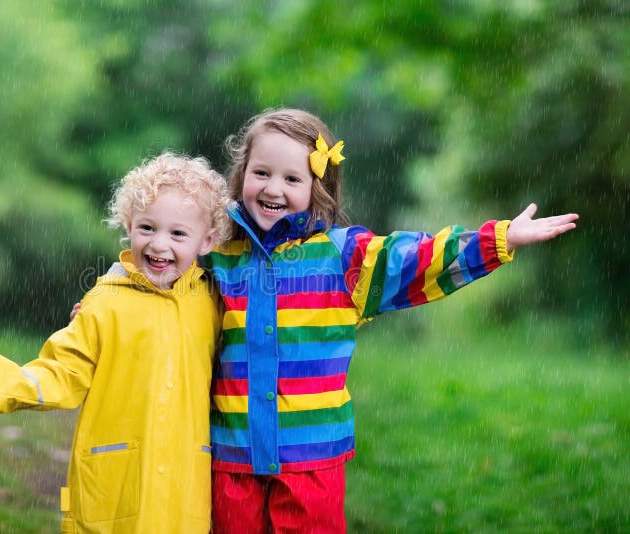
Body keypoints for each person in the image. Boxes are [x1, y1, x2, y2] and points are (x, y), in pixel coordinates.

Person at [199, 108, 579, 533]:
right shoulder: (215, 257)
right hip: (232, 460)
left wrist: (497, 240)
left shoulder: (344, 257)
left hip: (312, 463)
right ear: (242, 173)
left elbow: (419, 260)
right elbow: (165, 268)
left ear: (317, 186)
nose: (273, 188)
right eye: (261, 173)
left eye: (292, 179)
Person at [0, 152, 231, 534]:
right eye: (147, 228)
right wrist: (8, 384)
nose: (159, 245)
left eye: (178, 234)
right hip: (116, 485)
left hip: (183, 491)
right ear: (129, 225)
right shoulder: (105, 301)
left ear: (207, 240)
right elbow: (65, 369)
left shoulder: (214, 303)